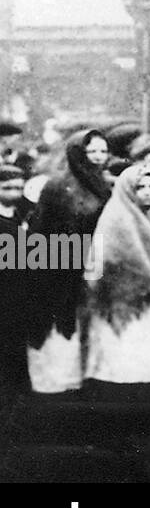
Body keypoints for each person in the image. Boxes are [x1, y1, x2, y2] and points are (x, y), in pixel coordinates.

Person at [82, 166, 150, 416]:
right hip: (119, 299)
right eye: (140, 187)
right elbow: (103, 262)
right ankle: (121, 413)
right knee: (123, 355)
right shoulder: (116, 220)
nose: (147, 194)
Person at [25, 129, 112, 394]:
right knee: (62, 326)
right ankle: (57, 387)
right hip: (61, 265)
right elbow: (39, 230)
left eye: (102, 151)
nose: (98, 157)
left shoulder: (104, 184)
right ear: (77, 153)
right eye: (92, 151)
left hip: (96, 263)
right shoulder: (57, 185)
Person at [0, 164, 33, 383]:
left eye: (19, 188)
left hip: (18, 290)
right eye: (8, 188)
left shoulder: (24, 214)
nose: (14, 193)